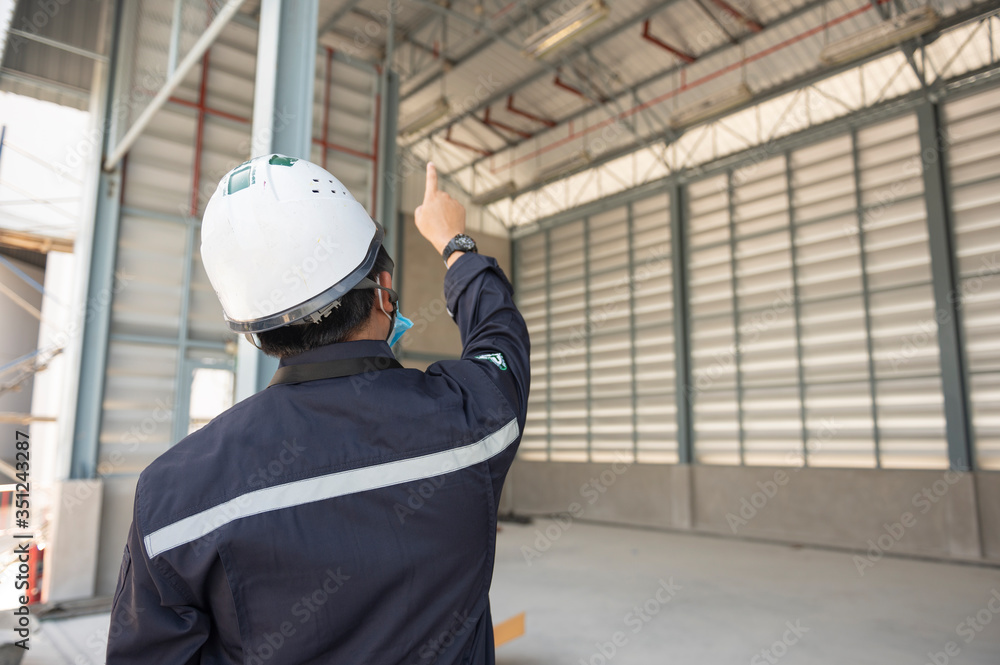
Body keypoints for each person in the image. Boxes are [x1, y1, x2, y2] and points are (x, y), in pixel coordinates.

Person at [106, 155, 529, 664]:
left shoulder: (172, 497)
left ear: (256, 330)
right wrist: (454, 244)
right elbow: (499, 337)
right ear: (383, 293)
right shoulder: (472, 423)